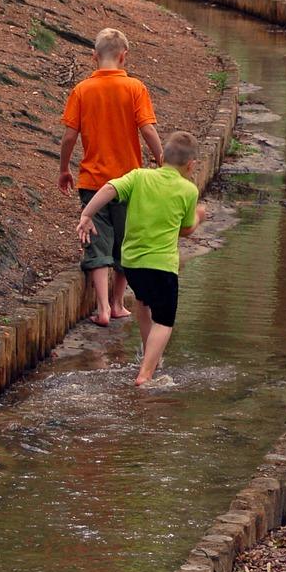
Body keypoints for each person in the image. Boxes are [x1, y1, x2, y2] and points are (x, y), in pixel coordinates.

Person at [77, 131, 207, 385]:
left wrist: (87, 214)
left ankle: (151, 357)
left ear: (160, 157)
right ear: (190, 166)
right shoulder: (187, 190)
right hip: (162, 265)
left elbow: (109, 188)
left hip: (132, 263)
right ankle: (145, 375)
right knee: (165, 319)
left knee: (143, 303)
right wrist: (199, 218)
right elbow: (185, 229)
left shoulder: (139, 176)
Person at [59, 27, 164, 326]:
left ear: (94, 57)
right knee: (125, 243)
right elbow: (147, 129)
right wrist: (161, 161)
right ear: (123, 56)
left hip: (93, 181)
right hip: (129, 183)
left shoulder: (81, 90)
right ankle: (119, 304)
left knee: (96, 241)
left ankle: (102, 308)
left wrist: (64, 168)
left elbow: (69, 136)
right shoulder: (135, 88)